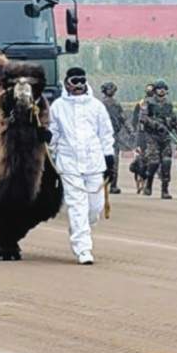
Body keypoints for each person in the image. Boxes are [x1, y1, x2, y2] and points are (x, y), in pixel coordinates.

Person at [48, 67, 115, 265]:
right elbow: (54, 134)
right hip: (69, 164)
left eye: (81, 81)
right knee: (77, 205)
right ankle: (83, 249)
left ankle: (80, 227)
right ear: (67, 83)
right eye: (74, 81)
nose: (78, 85)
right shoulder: (58, 106)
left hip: (94, 162)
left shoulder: (96, 106)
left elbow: (106, 133)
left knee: (95, 207)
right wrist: (48, 140)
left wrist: (109, 157)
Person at [140, 79, 177, 199]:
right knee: (154, 162)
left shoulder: (168, 104)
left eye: (164, 88)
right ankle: (149, 184)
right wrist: (155, 124)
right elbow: (143, 118)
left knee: (167, 162)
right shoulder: (148, 102)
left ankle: (165, 190)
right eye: (159, 88)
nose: (162, 90)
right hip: (153, 136)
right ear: (155, 90)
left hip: (165, 137)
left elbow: (174, 120)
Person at [98, 81, 126, 194]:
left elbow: (122, 118)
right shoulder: (99, 105)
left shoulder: (117, 104)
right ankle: (101, 183)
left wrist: (130, 129)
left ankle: (113, 185)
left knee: (115, 161)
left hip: (114, 136)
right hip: (100, 137)